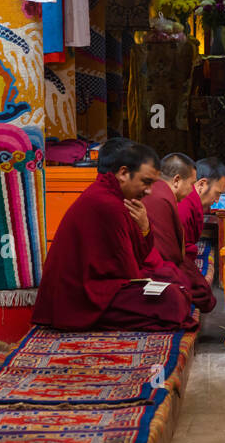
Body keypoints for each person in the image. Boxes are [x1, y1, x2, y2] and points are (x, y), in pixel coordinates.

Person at [33, 138, 197, 331]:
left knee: (173, 283)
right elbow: (129, 272)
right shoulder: (107, 203)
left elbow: (135, 258)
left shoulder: (116, 197)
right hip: (81, 295)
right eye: (145, 182)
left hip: (102, 284)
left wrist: (144, 227)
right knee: (171, 299)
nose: (149, 191)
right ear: (124, 173)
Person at [143, 152, 217, 313]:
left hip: (152, 259)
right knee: (180, 292)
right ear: (176, 180)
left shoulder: (161, 193)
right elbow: (171, 255)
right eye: (191, 184)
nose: (192, 190)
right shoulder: (161, 198)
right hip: (144, 267)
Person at [180, 157, 225, 258]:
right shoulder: (184, 206)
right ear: (201, 184)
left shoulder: (193, 202)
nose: (217, 200)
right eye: (217, 193)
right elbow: (180, 253)